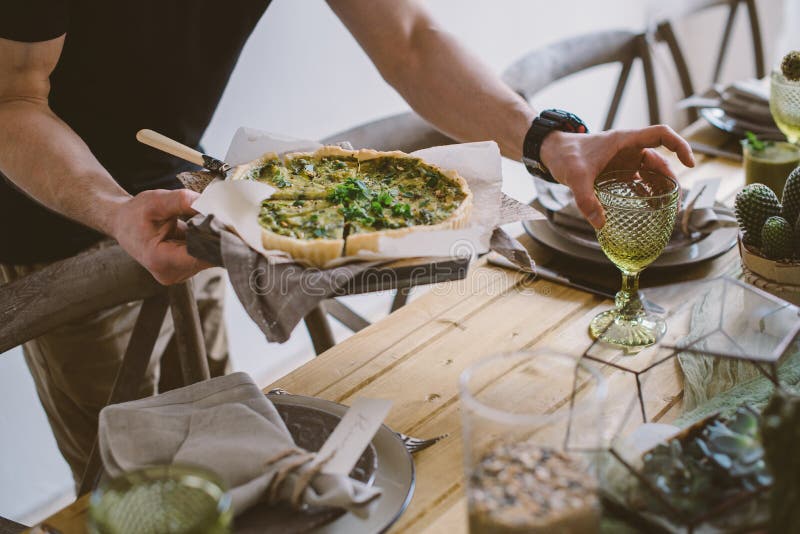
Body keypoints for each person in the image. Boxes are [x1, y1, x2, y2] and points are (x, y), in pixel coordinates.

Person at [0, 0, 695, 487]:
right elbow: (13, 99)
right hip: (58, 216)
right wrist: (115, 209)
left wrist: (547, 140)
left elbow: (410, 36)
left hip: (183, 190)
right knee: (139, 480)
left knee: (219, 441)